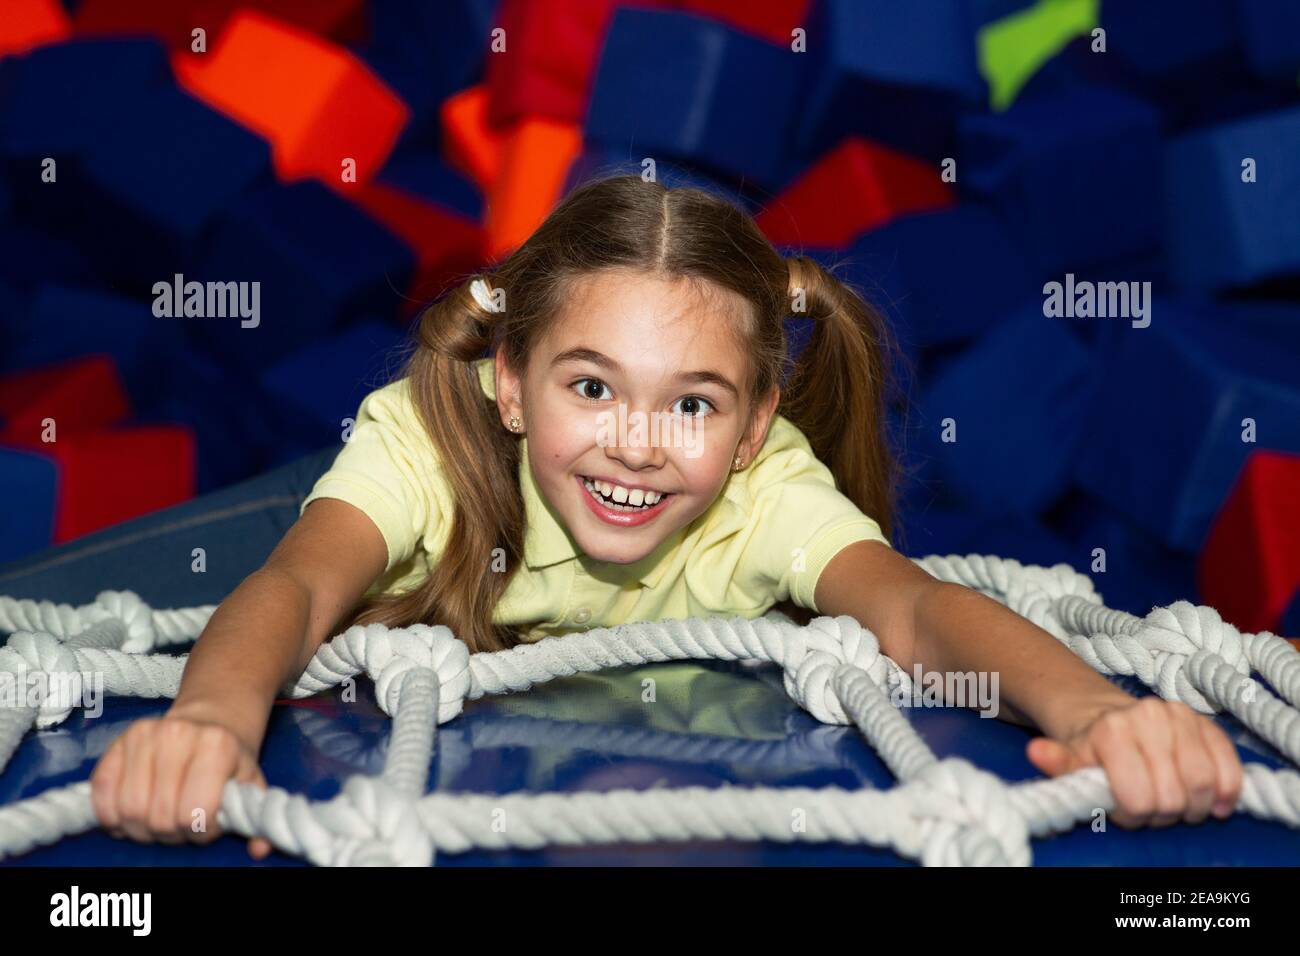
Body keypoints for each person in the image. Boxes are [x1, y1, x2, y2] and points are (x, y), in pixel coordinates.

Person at [2, 175, 1242, 859]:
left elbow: (915, 608)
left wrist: (1099, 713)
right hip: (344, 531)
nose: (636, 443)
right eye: (590, 385)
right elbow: (297, 589)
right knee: (51, 613)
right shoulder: (429, 446)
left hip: (528, 681)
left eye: (691, 402)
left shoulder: (763, 494)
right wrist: (213, 721)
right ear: (510, 379)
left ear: (754, 425)